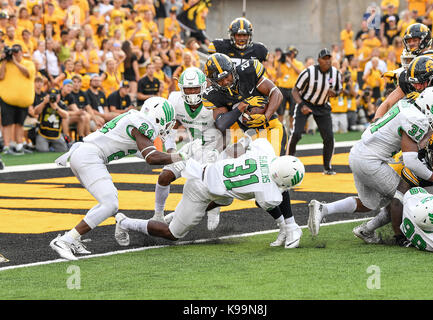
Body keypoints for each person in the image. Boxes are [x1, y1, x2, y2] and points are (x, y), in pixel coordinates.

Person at [49, 97, 188, 261]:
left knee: (107, 204)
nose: (167, 127)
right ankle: (65, 240)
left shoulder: (136, 121)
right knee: (110, 204)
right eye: (166, 122)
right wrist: (182, 156)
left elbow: (152, 155)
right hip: (89, 156)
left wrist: (174, 156)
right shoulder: (141, 125)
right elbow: (152, 157)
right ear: (158, 117)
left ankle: (74, 238)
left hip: (85, 155)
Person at [307, 87, 433, 239]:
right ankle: (396, 235)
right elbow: (411, 161)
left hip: (358, 152)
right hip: (371, 161)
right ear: (429, 107)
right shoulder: (417, 119)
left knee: (369, 203)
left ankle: (324, 209)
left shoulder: (408, 105)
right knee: (405, 197)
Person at [114, 138, 305, 249]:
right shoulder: (268, 192)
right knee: (173, 234)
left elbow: (244, 144)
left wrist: (229, 156)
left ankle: (174, 215)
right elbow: (268, 201)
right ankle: (124, 222)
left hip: (211, 172)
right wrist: (286, 224)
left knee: (227, 198)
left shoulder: (265, 150)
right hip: (200, 189)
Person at [203, 53, 298, 246]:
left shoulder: (249, 69)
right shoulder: (213, 94)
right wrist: (242, 107)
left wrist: (266, 115)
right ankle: (282, 227)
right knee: (257, 187)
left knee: (274, 174)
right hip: (245, 137)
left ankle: (292, 226)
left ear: (232, 70)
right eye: (220, 79)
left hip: (269, 128)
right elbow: (221, 124)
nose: (226, 81)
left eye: (227, 75)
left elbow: (276, 93)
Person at [152, 67, 221, 230]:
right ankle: (158, 215)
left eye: (195, 88)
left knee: (210, 185)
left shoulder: (213, 101)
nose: (191, 92)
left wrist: (217, 152)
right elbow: (169, 128)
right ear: (181, 88)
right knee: (164, 176)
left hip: (213, 149)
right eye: (188, 88)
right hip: (192, 147)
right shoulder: (175, 100)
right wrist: (170, 150)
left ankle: (214, 210)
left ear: (203, 87)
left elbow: (226, 131)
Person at [286, 48, 342, 175]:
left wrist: (335, 93)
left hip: (322, 105)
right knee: (297, 133)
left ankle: (327, 167)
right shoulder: (309, 72)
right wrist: (301, 105)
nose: (327, 61)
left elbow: (339, 90)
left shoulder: (335, 73)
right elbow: (295, 90)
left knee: (329, 137)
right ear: (319, 60)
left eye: (329, 58)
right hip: (305, 103)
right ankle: (287, 160)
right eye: (324, 59)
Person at [0, 43, 36, 155]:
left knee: (20, 123)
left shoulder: (28, 63)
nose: (14, 54)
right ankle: (7, 146)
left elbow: (27, 73)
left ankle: (19, 145)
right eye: (13, 53)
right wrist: (5, 60)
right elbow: (1, 76)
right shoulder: (5, 64)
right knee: (7, 123)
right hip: (7, 99)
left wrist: (15, 62)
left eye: (16, 52)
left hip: (23, 99)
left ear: (21, 52)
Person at [33, 88, 70, 152]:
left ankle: (52, 145)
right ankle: (48, 146)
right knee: (43, 150)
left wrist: (56, 108)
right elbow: (36, 112)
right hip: (43, 133)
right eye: (51, 95)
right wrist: (43, 103)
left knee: (63, 150)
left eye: (56, 95)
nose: (53, 97)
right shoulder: (44, 102)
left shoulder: (61, 104)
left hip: (56, 134)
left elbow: (66, 115)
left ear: (59, 96)